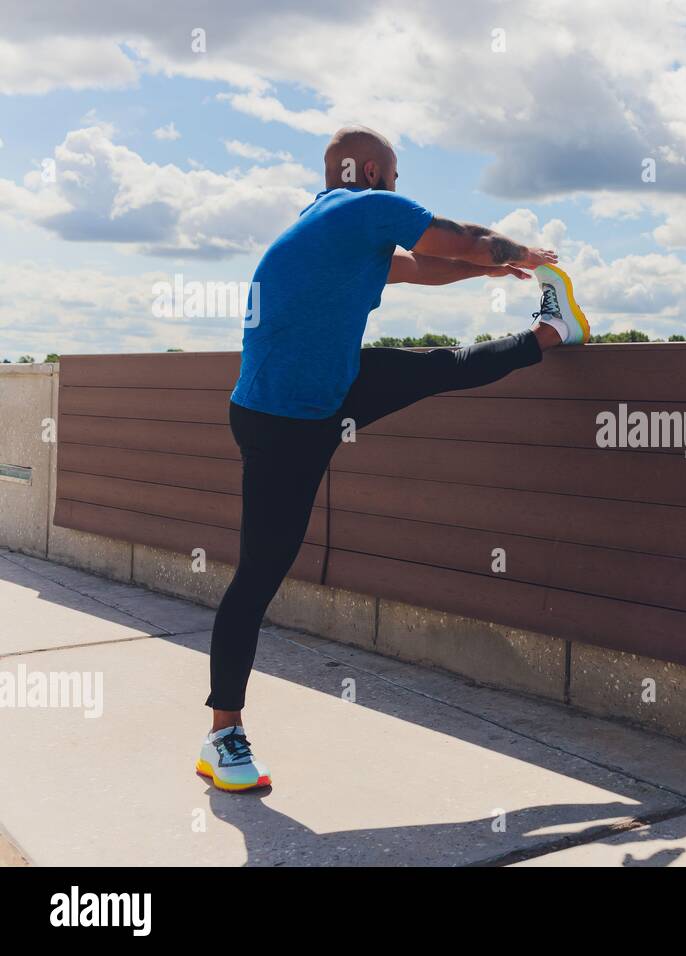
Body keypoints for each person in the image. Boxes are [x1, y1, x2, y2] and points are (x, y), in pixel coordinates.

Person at [196, 125, 590, 792]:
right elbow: (456, 236)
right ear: (373, 170)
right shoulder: (362, 207)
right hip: (291, 419)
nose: (401, 190)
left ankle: (553, 330)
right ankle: (222, 733)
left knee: (440, 367)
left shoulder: (329, 226)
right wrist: (518, 251)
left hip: (308, 395)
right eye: (399, 179)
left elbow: (423, 267)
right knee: (259, 575)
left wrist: (491, 269)